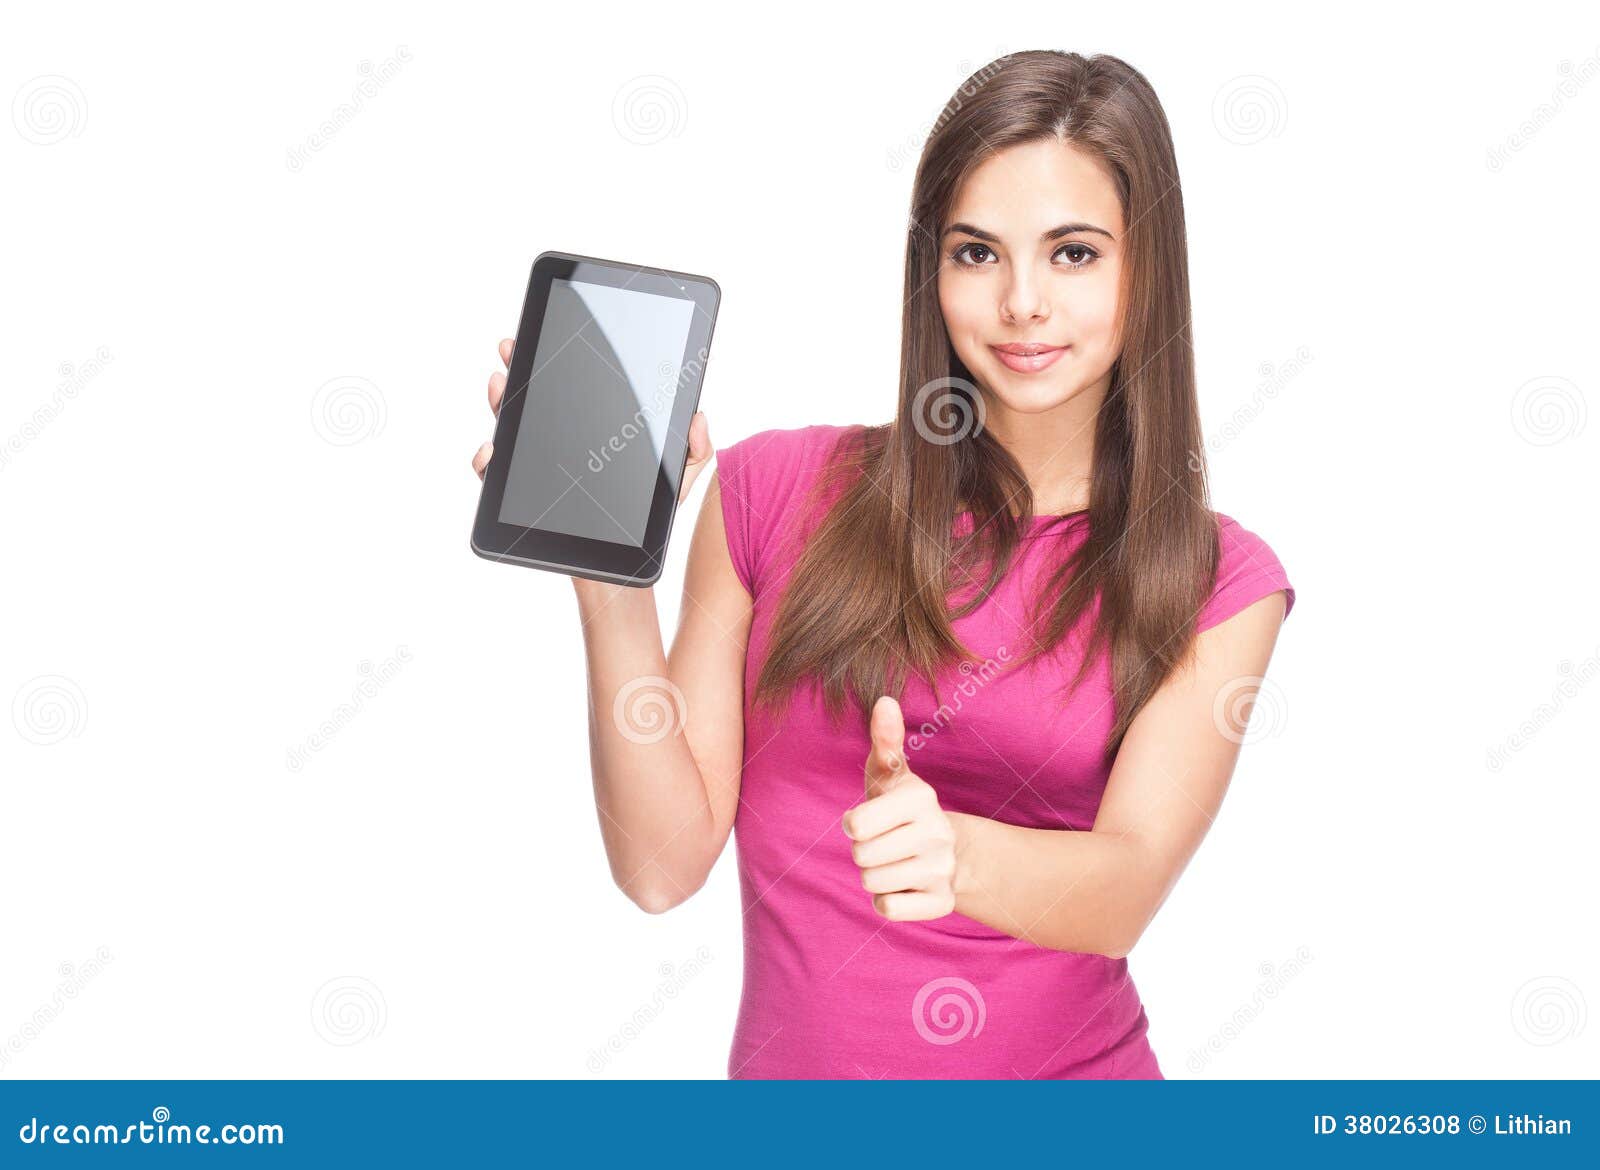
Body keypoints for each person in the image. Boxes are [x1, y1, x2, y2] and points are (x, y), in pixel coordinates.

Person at [471, 49, 1296, 1079]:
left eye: (1074, 253)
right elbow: (659, 866)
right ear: (930, 271)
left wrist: (959, 853)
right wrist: (610, 578)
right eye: (976, 252)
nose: (1022, 303)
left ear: (1147, 270)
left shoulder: (1219, 579)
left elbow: (1126, 889)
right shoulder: (771, 491)